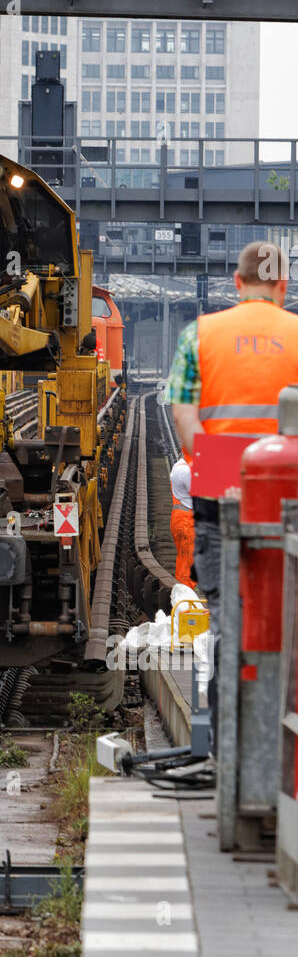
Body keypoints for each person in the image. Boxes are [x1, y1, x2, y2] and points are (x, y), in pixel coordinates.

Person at [164, 241, 298, 756]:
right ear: (283, 288)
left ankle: (227, 748)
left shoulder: (200, 335)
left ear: (237, 285)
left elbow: (185, 418)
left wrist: (225, 467)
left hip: (220, 484)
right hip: (288, 490)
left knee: (226, 617)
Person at [169, 457, 195, 588]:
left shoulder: (181, 465)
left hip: (182, 517)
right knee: (187, 568)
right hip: (186, 521)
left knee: (185, 562)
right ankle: (186, 602)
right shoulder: (186, 471)